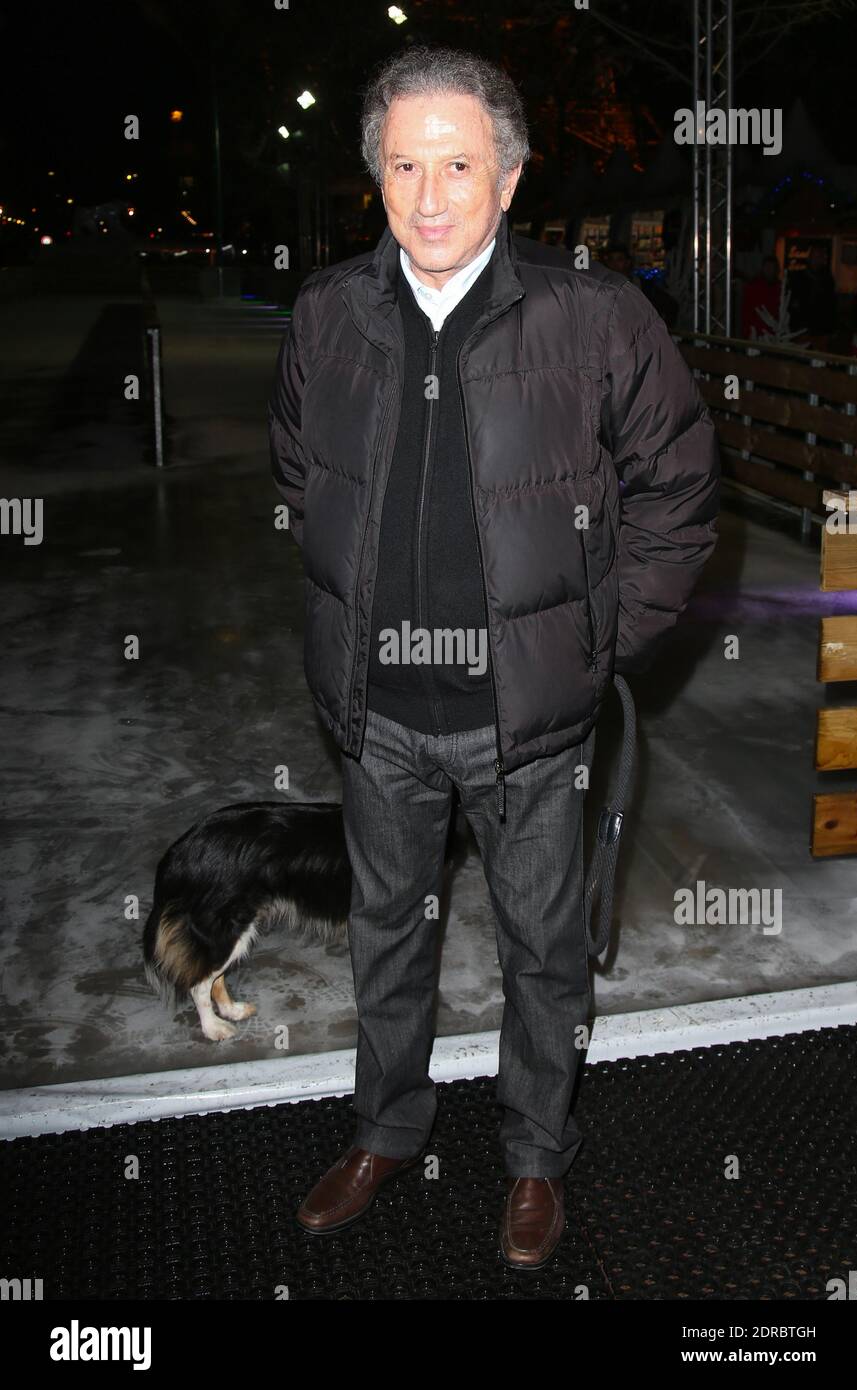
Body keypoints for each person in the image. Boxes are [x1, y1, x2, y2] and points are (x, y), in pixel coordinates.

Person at [269, 45, 720, 1269]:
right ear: (375, 178)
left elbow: (678, 488)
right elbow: (299, 478)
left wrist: (596, 645)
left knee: (543, 946)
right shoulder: (326, 316)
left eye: (457, 164)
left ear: (508, 177)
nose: (428, 195)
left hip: (530, 720)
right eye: (403, 165)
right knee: (384, 932)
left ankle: (532, 1157)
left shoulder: (594, 317)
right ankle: (385, 1128)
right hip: (377, 716)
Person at [788, 243, 837, 352]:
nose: (817, 260)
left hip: (821, 329)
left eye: (819, 257)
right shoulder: (798, 278)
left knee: (819, 359)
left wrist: (831, 329)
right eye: (815, 256)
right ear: (809, 258)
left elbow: (831, 306)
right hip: (802, 329)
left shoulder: (827, 280)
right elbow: (792, 304)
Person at [741, 255, 782, 340]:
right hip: (756, 335)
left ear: (776, 270)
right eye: (767, 267)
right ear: (763, 268)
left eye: (772, 268)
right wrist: (748, 333)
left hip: (775, 335)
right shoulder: (753, 288)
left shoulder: (780, 289)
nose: (769, 270)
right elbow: (746, 312)